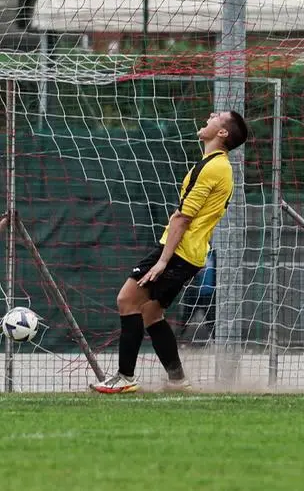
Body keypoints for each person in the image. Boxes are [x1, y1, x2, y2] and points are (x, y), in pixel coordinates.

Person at [91, 111, 248, 394]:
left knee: (127, 299)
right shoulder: (215, 165)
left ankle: (125, 376)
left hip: (178, 252)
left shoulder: (212, 168)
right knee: (151, 312)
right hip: (188, 253)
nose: (211, 115)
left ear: (222, 133)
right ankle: (177, 379)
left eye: (218, 116)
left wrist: (163, 260)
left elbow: (182, 218)